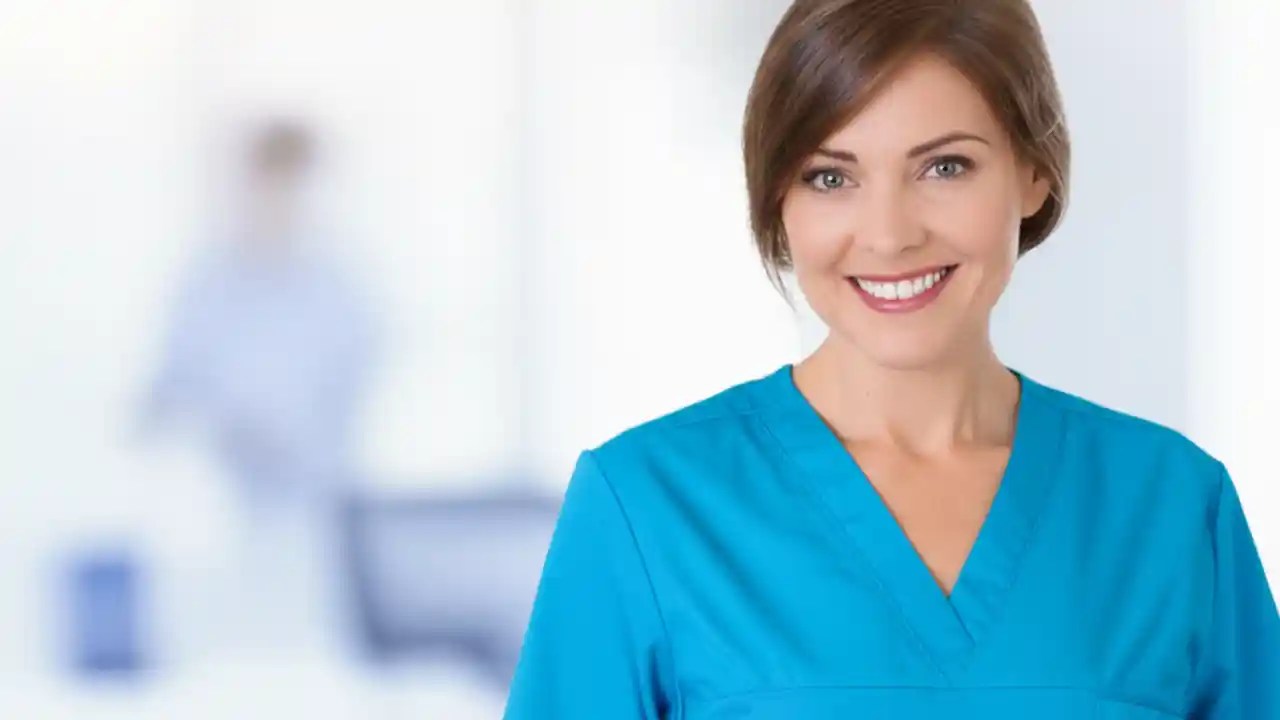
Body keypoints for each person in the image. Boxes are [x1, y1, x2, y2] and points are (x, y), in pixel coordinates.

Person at [501, 1, 1279, 718]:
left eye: (944, 167)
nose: (889, 234)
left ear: (1034, 172)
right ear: (778, 201)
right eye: (830, 177)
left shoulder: (1174, 508)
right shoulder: (647, 506)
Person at [145, 119, 375, 659]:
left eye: (292, 185)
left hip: (315, 516)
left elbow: (350, 392)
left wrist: (290, 436)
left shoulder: (340, 286)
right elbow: (167, 392)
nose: (278, 200)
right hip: (215, 511)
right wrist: (215, 421)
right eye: (267, 183)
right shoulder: (206, 281)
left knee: (308, 638)